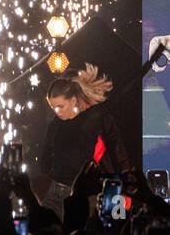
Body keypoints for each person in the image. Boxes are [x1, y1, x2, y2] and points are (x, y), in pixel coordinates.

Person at [38, 64, 130, 219]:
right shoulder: (57, 124)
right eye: (54, 107)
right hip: (62, 191)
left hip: (89, 193)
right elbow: (45, 160)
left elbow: (116, 154)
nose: (57, 111)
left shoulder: (92, 120)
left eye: (60, 106)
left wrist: (121, 189)